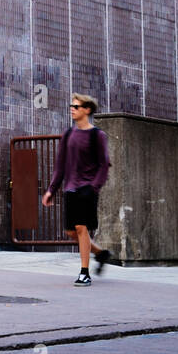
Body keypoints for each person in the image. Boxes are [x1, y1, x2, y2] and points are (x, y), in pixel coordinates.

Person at [43, 93, 112, 286]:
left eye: (76, 106)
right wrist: (51, 190)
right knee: (71, 232)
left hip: (87, 189)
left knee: (81, 228)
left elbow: (104, 165)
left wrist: (94, 187)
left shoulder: (97, 135)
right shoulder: (68, 134)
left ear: (87, 110)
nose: (72, 109)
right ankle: (101, 253)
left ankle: (84, 273)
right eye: (71, 106)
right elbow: (60, 165)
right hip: (70, 188)